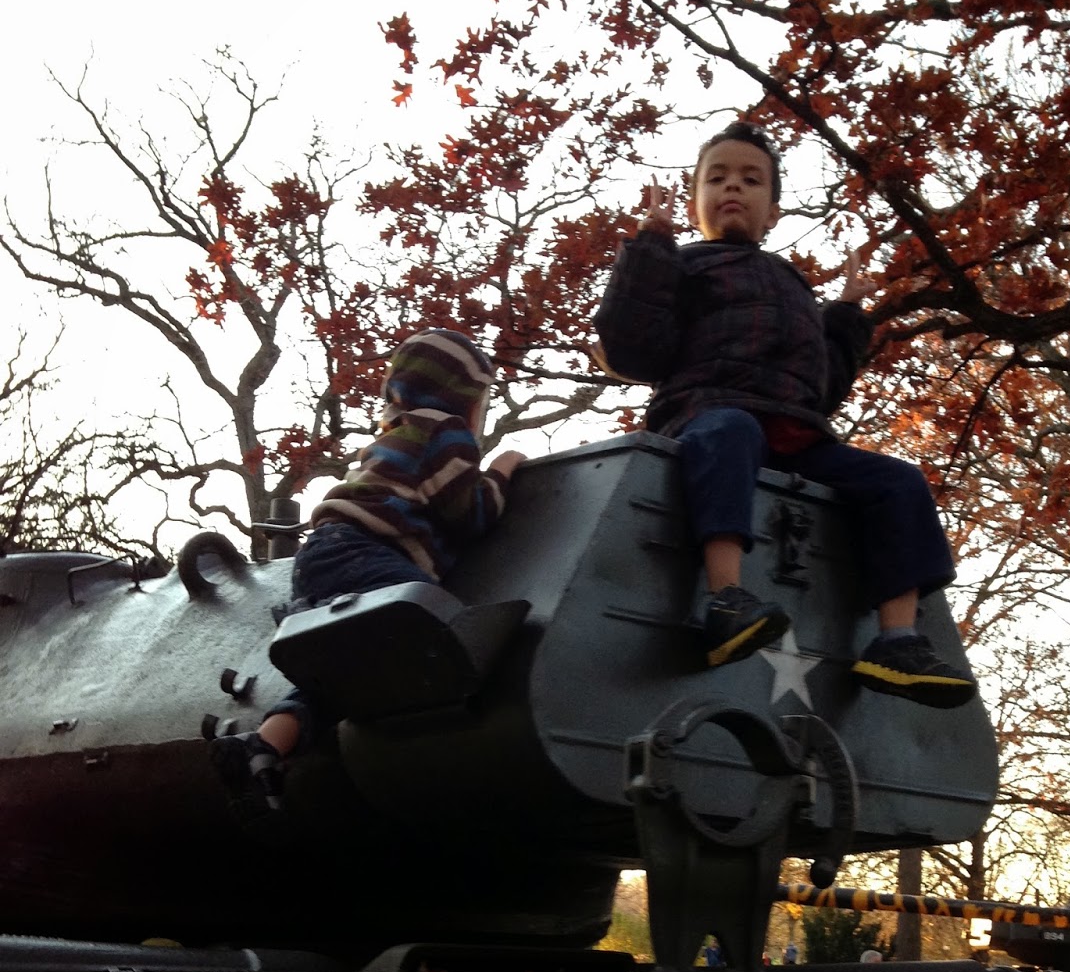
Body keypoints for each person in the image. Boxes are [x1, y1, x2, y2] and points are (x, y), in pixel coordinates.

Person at [594, 121, 976, 705]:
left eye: (751, 180)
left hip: (798, 435)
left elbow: (818, 386)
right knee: (733, 429)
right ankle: (727, 600)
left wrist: (846, 314)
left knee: (896, 481)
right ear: (695, 201)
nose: (732, 186)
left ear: (772, 211)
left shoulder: (794, 286)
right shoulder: (683, 266)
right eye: (716, 177)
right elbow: (634, 347)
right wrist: (650, 248)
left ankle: (897, 640)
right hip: (707, 415)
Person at [210, 327, 526, 816]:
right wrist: (502, 469)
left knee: (343, 679)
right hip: (363, 553)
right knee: (426, 619)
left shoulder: (394, 437)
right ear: (462, 397)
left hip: (320, 559)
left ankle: (262, 746)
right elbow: (471, 513)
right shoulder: (444, 431)